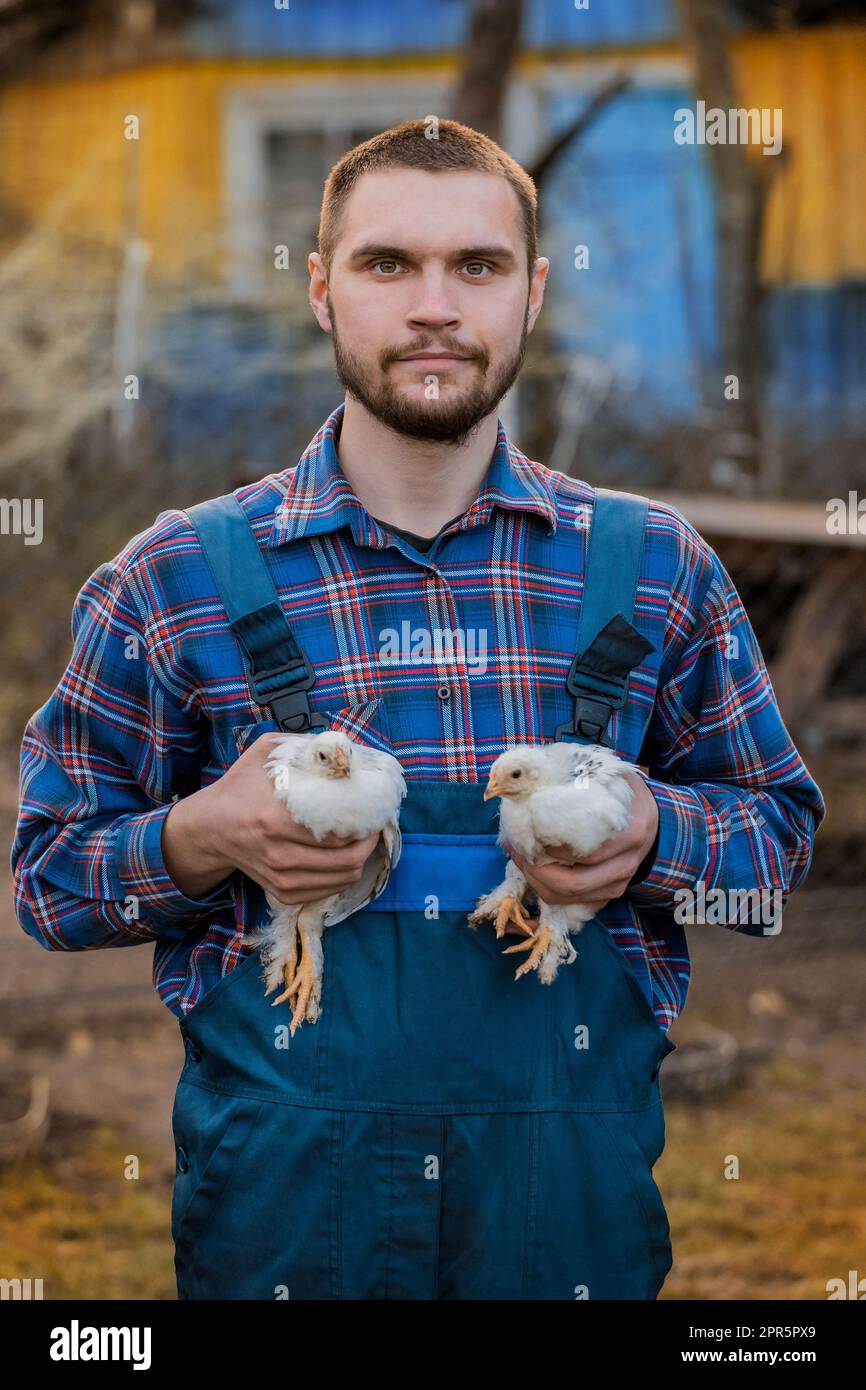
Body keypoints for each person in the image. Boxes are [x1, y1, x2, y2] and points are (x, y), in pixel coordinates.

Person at [11, 118, 825, 1300]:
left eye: (477, 267)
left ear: (532, 293)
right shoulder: (176, 577)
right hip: (287, 1220)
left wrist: (655, 835)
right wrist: (201, 836)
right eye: (387, 264)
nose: (434, 305)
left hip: (564, 1221)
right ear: (321, 292)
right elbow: (47, 882)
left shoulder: (653, 569)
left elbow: (776, 846)